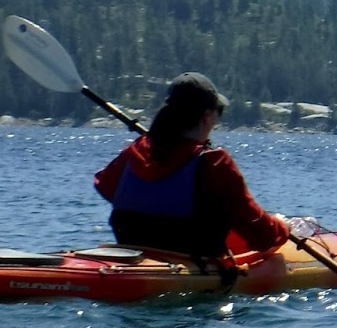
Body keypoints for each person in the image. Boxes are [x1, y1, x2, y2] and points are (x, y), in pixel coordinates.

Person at [94, 72, 291, 259]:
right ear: (207, 116)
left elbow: (104, 185)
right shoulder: (215, 162)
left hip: (134, 253)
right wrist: (283, 227)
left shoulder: (134, 153)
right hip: (193, 264)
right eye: (219, 111)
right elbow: (263, 236)